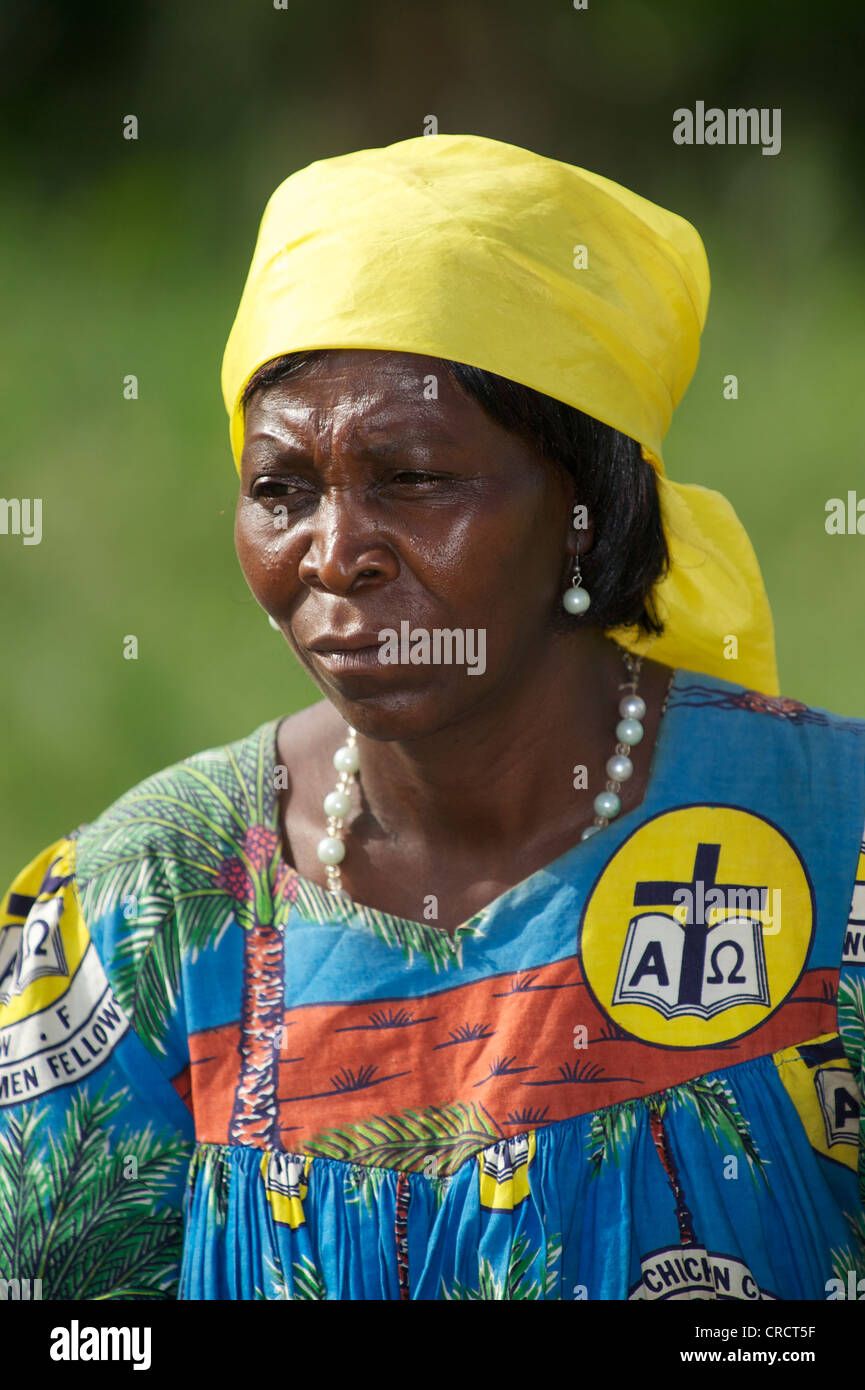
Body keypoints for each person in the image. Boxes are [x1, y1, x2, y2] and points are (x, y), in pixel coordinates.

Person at [1, 133, 863, 1302]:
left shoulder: (830, 852)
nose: (336, 553)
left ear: (582, 509)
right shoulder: (153, 905)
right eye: (281, 491)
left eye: (411, 479)